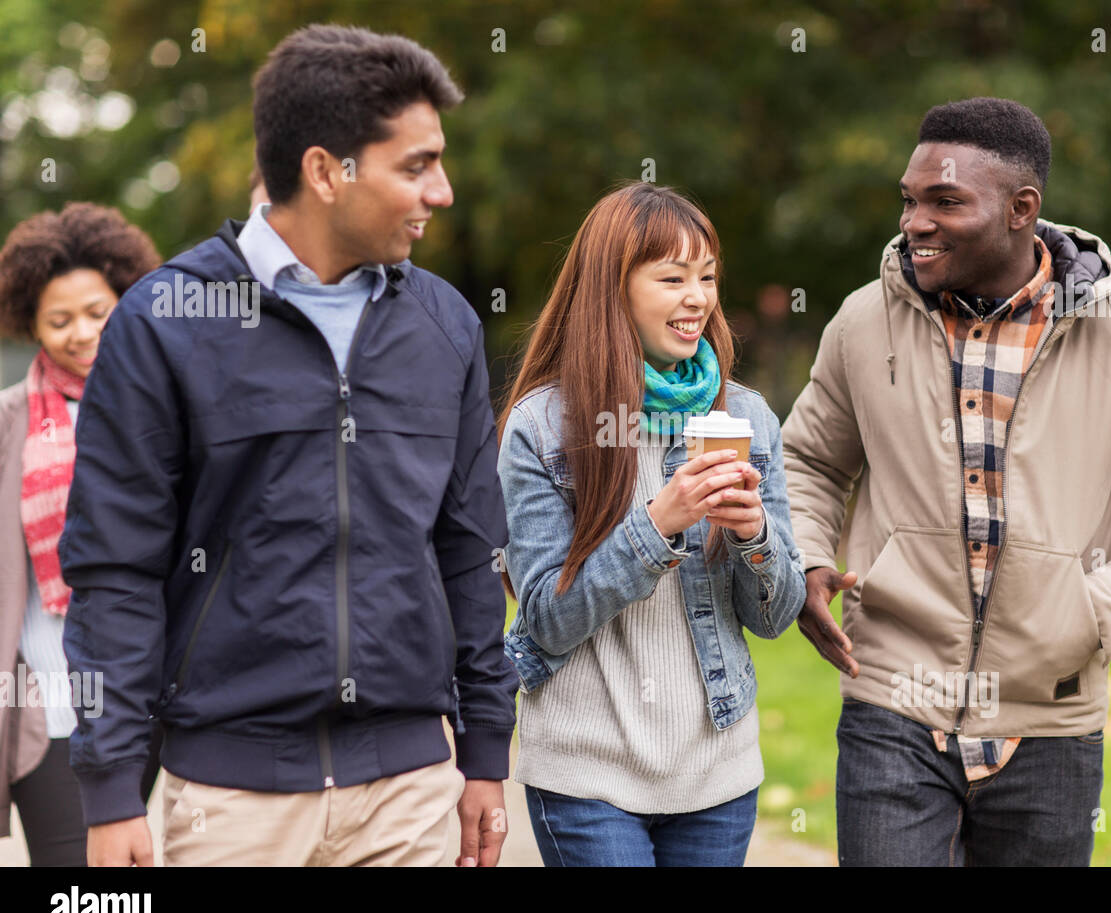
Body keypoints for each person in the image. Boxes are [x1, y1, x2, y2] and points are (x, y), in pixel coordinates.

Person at [58, 24, 516, 867]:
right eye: (416, 165)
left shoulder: (444, 323)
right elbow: (114, 569)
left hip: (409, 786)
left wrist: (486, 750)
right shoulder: (165, 322)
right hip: (231, 803)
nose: (441, 191)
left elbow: (470, 551)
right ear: (324, 171)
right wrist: (113, 787)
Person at [782, 97, 1111, 866]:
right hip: (893, 702)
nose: (914, 221)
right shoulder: (863, 323)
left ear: (1020, 209)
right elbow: (809, 462)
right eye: (909, 199)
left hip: (1052, 720)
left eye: (945, 201)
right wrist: (804, 557)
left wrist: (1096, 613)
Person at [498, 182, 806, 867]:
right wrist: (659, 524)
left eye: (707, 277)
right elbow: (547, 619)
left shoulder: (746, 419)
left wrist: (757, 538)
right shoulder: (544, 428)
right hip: (586, 776)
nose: (697, 297)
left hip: (716, 776)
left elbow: (777, 617)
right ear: (612, 288)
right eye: (671, 278)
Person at [0, 202, 163, 865]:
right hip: (49, 701)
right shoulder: (10, 419)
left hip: (147, 692)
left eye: (98, 312)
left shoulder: (164, 406)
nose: (82, 333)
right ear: (30, 324)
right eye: (59, 321)